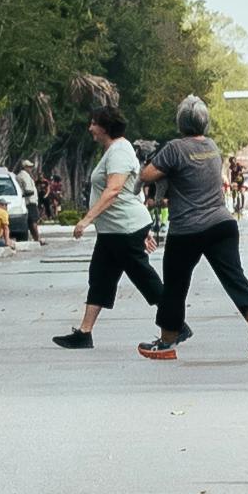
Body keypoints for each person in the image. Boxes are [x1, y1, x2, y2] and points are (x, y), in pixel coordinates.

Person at [138, 94, 248, 363]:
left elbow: (147, 175)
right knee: (234, 277)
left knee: (175, 286)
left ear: (181, 122)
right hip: (222, 224)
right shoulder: (212, 146)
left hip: (188, 229)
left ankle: (166, 343)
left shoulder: (175, 148)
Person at [51, 79, 163, 349]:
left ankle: (175, 322)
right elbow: (132, 192)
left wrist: (86, 220)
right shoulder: (114, 151)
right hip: (114, 230)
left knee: (144, 279)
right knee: (100, 277)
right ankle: (84, 333)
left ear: (105, 128)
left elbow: (114, 191)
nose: (90, 128)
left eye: (93, 123)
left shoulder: (121, 152)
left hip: (123, 229)